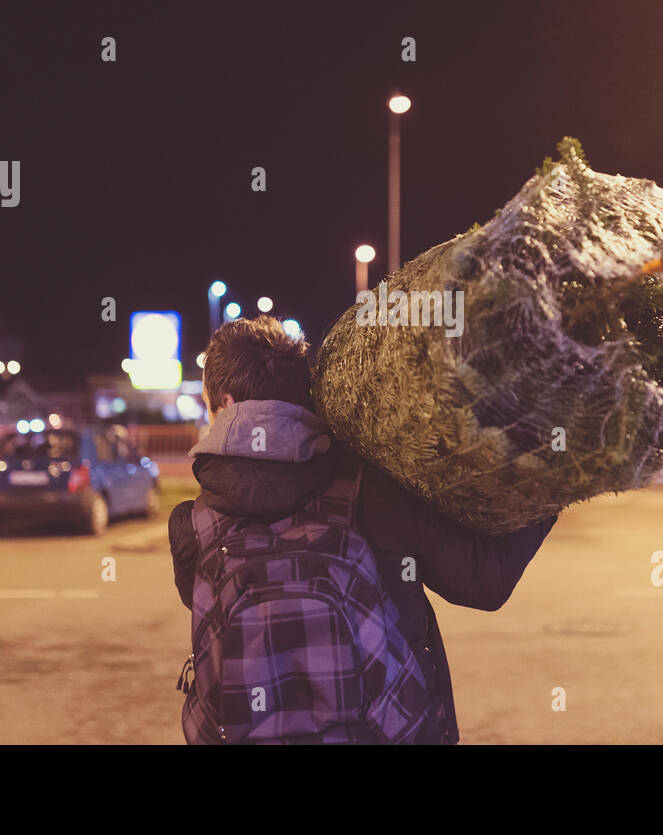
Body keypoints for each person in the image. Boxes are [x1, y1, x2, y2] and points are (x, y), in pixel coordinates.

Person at [169, 315, 556, 744]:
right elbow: (485, 581)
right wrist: (556, 480)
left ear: (222, 404)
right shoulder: (370, 490)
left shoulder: (192, 526)